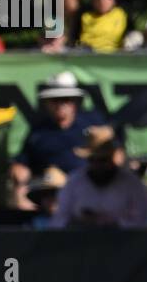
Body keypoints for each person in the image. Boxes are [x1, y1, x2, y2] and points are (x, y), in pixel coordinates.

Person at [9, 72, 107, 208]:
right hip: (47, 195)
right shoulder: (38, 130)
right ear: (47, 103)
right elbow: (23, 162)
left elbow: (110, 160)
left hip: (89, 193)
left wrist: (68, 182)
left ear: (75, 102)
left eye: (66, 99)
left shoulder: (92, 124)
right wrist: (19, 177)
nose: (60, 105)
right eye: (55, 100)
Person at [51, 126, 147, 228]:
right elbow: (59, 221)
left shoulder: (131, 183)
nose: (98, 165)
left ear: (112, 158)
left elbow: (141, 220)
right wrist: (80, 223)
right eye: (93, 160)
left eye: (103, 160)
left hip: (122, 241)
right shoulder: (75, 181)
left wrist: (112, 224)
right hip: (82, 240)